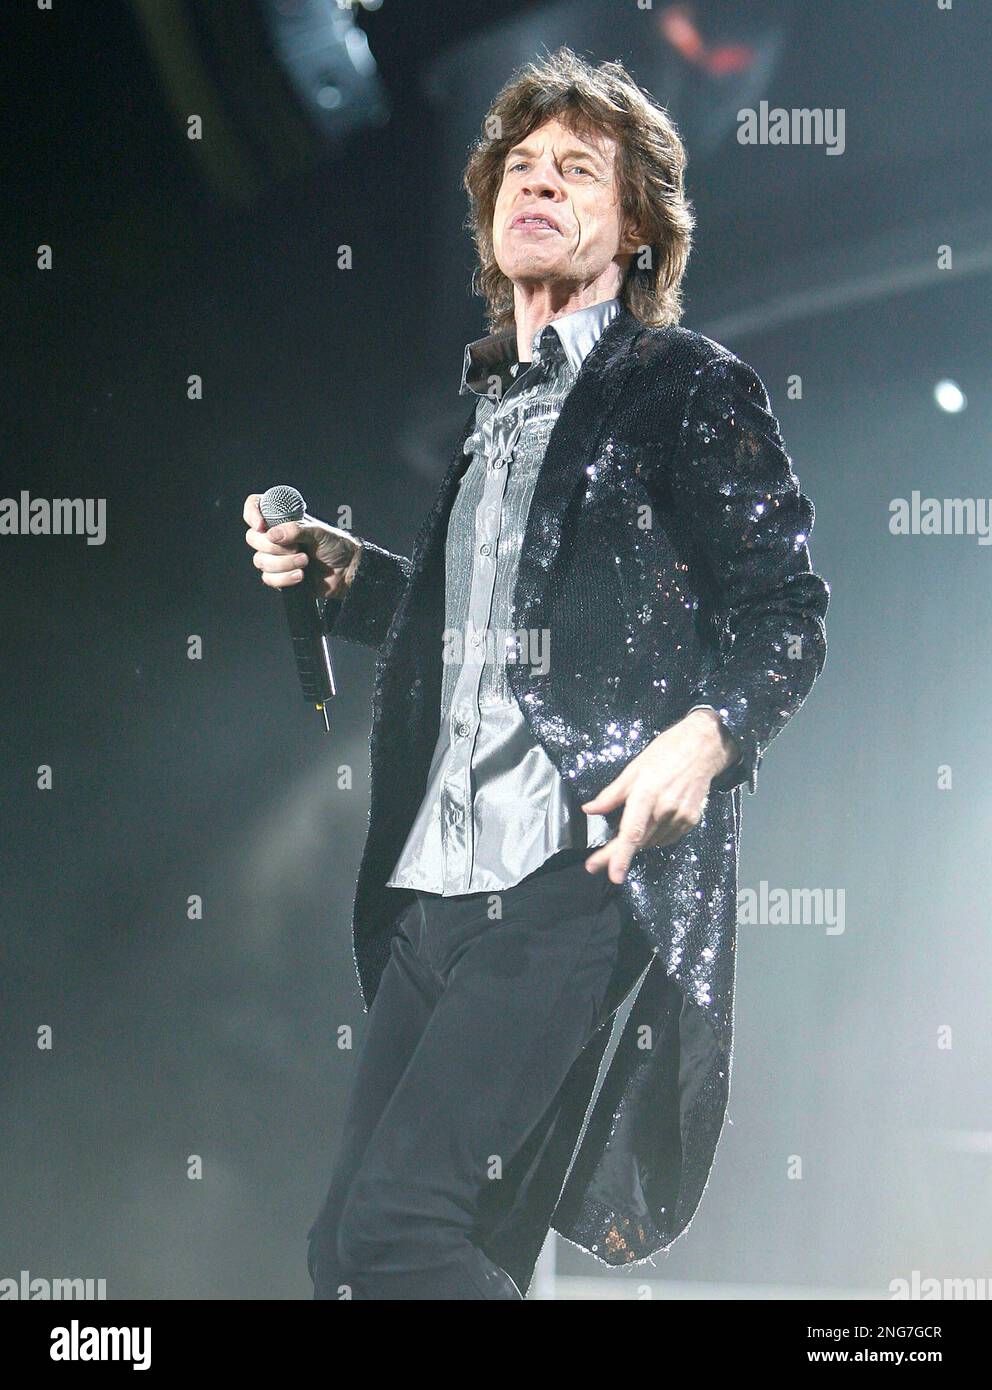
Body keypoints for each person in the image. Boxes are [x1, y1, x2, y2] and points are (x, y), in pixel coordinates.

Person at [243, 46, 830, 1299]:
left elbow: (783, 612)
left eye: (577, 171)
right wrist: (362, 579)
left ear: (637, 236)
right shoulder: (493, 421)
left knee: (404, 1230)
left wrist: (708, 733)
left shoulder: (680, 386)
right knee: (347, 1258)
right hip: (431, 888)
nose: (537, 186)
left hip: (564, 872)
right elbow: (496, 637)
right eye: (519, 167)